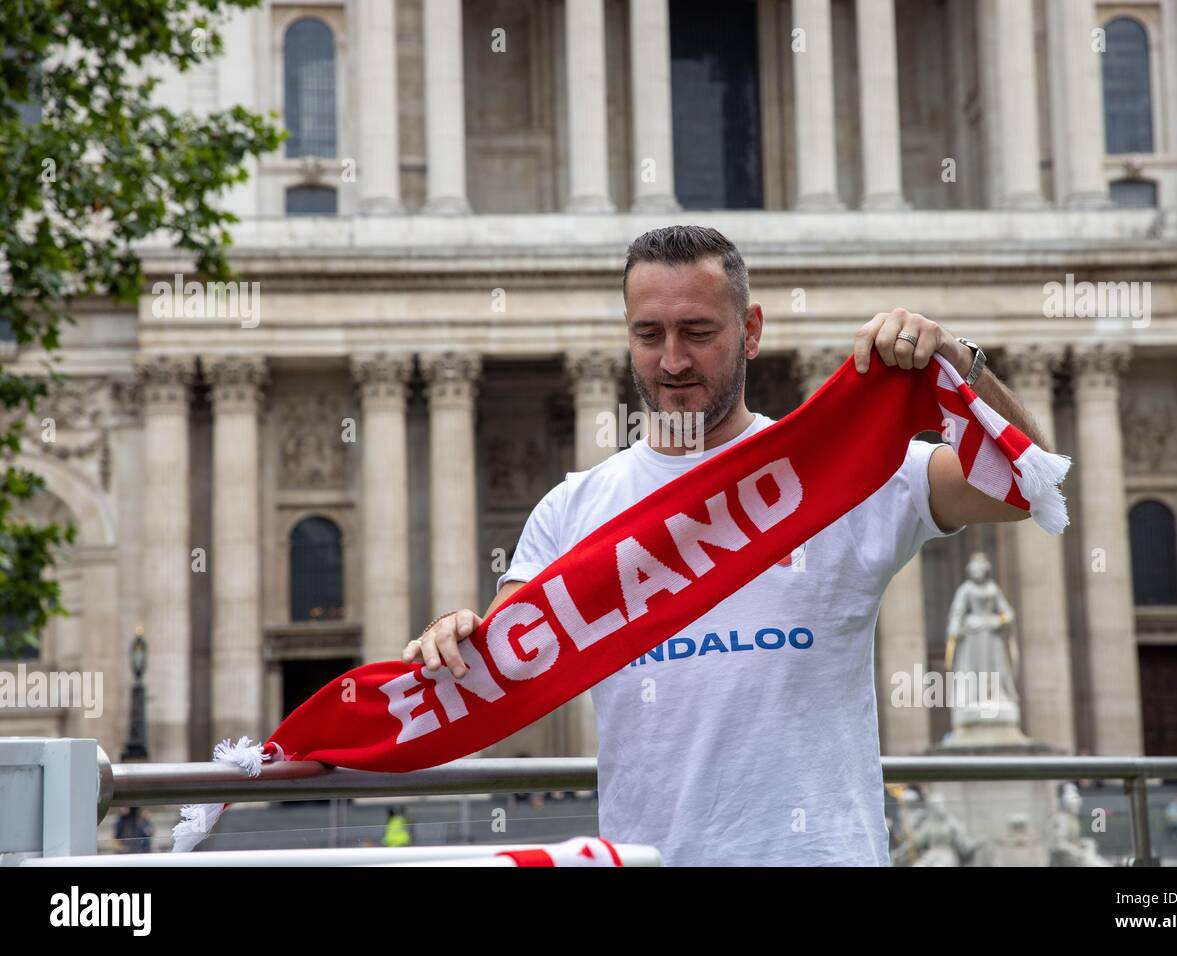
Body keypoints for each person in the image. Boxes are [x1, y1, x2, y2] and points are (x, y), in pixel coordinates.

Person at [402, 225, 1052, 866]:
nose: (673, 360)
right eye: (649, 334)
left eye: (699, 332)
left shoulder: (844, 472)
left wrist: (963, 363)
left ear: (752, 330)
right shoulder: (572, 510)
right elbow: (502, 649)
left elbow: (1028, 484)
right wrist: (452, 632)